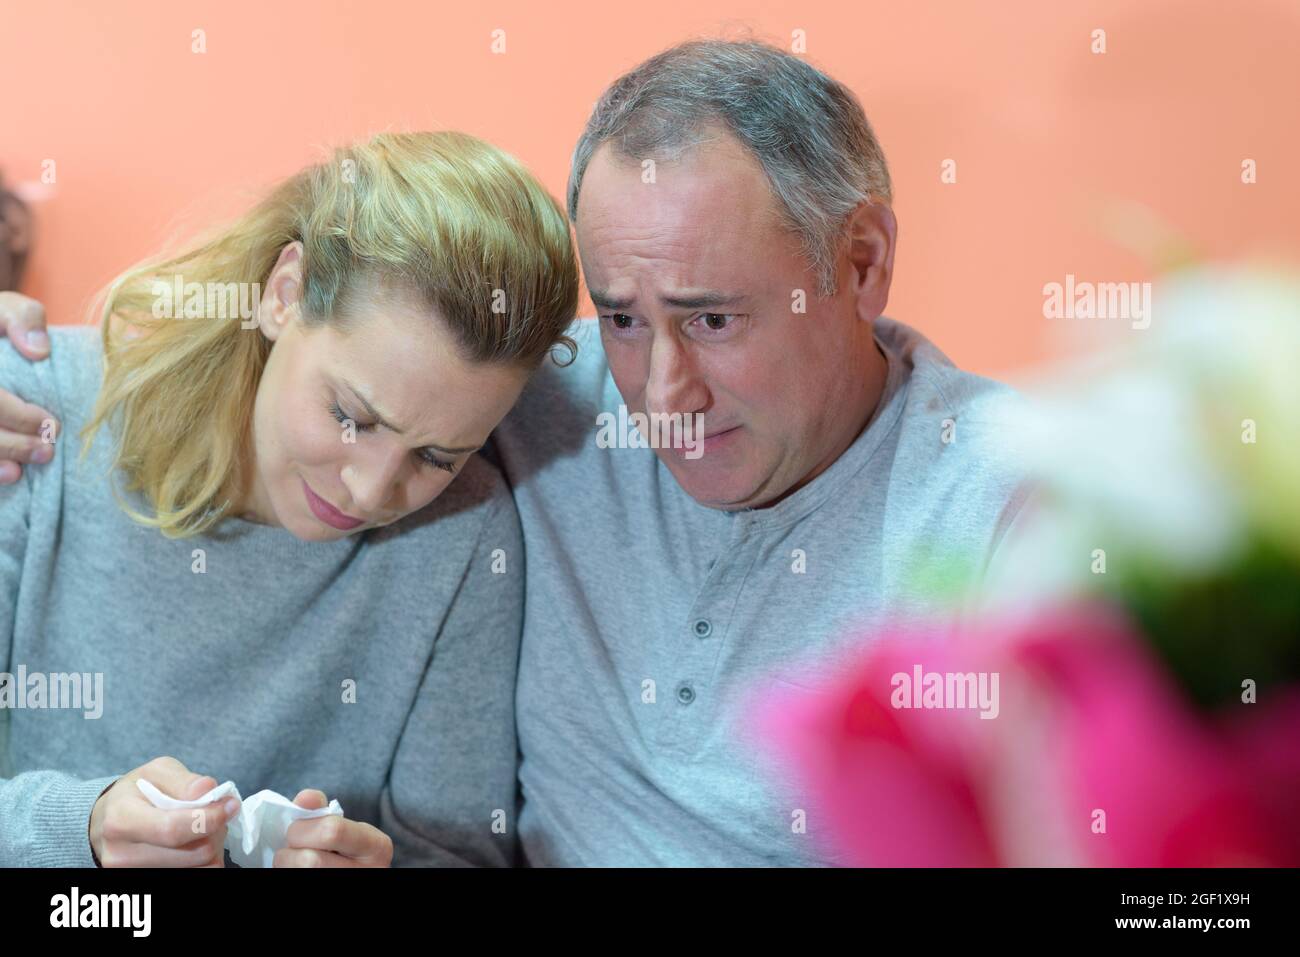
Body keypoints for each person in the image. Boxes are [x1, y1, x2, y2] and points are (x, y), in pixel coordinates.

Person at [2, 39, 1029, 866]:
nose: (661, 395)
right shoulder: (526, 400)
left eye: (712, 319)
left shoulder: (1021, 512)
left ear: (861, 263)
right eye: (622, 319)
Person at [0, 130, 579, 867]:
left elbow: (456, 851)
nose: (371, 490)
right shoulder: (34, 420)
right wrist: (77, 828)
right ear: (285, 293)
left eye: (436, 456)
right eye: (352, 416)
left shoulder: (467, 533)